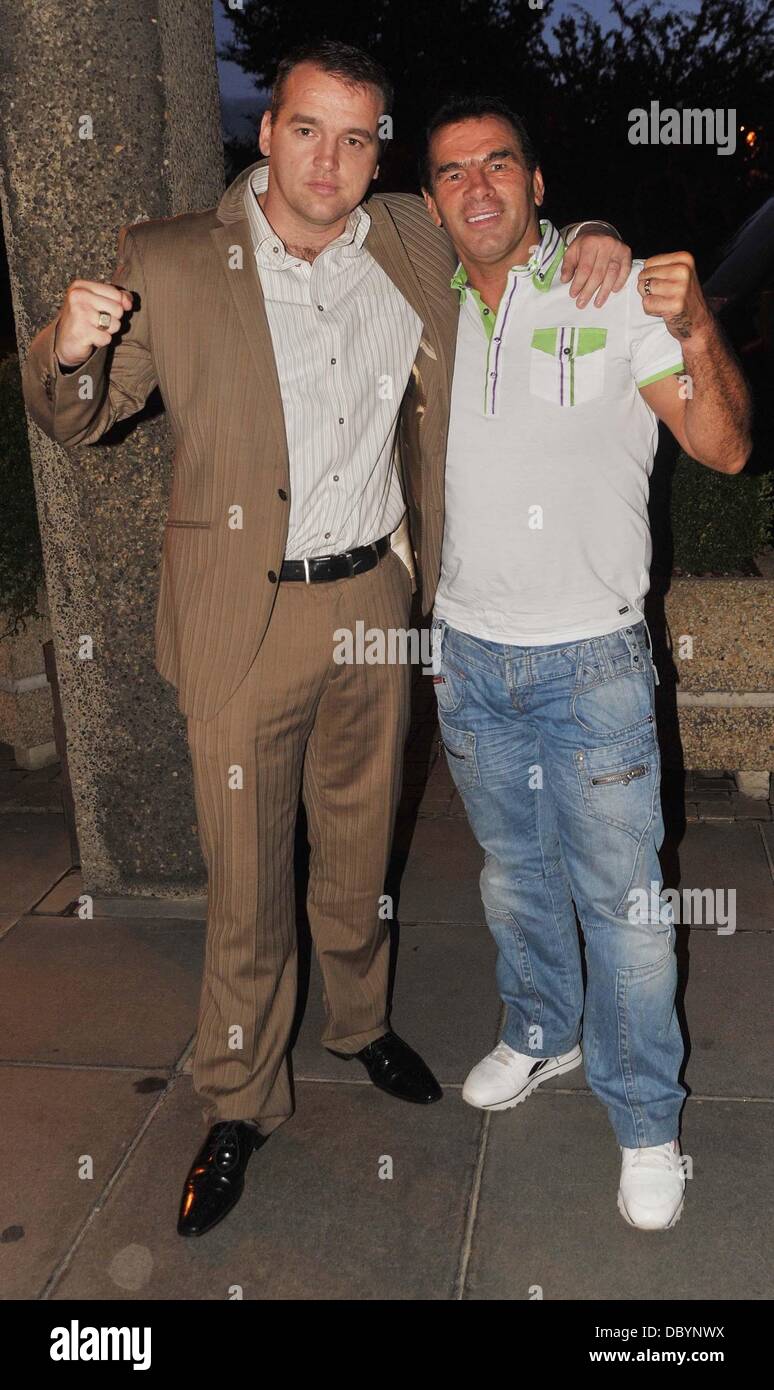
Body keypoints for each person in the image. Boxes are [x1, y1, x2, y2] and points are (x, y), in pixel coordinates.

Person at [21, 44, 630, 1239]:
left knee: (359, 848)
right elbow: (78, 418)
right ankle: (241, 1095)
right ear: (268, 133)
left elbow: (507, 214)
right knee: (250, 879)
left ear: (380, 152)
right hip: (243, 613)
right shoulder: (174, 259)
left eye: (357, 139)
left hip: (373, 609)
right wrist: (66, 347)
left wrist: (599, 227)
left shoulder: (406, 237)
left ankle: (359, 1023)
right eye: (308, 129)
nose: (330, 160)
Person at [418, 95, 751, 1231]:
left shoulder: (610, 290)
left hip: (593, 662)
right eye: (453, 172)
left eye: (498, 164)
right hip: (469, 656)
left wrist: (698, 321)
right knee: (512, 880)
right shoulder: (429, 299)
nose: (477, 187)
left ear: (537, 183)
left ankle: (649, 1118)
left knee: (628, 910)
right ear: (431, 201)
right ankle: (541, 1031)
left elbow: (725, 445)